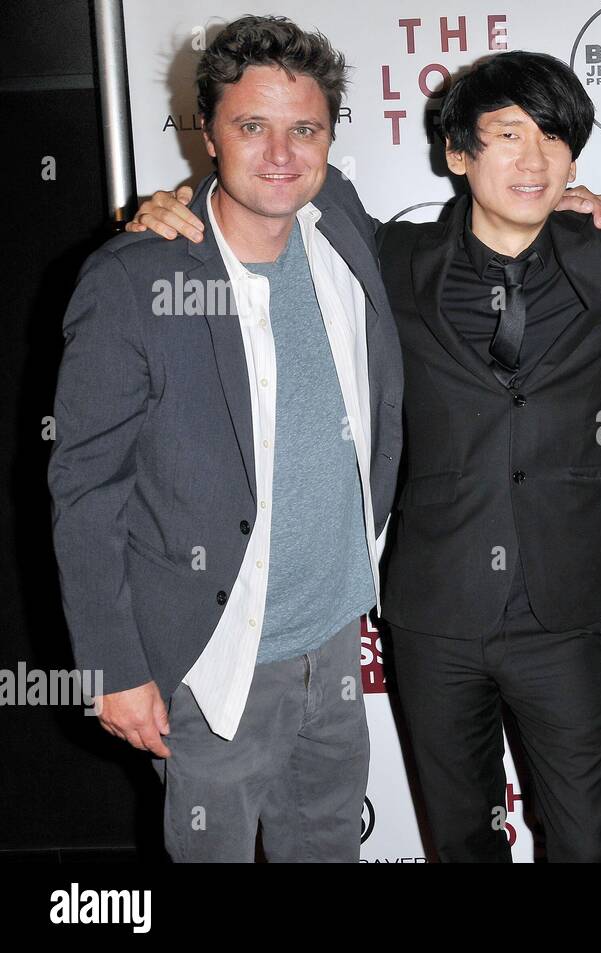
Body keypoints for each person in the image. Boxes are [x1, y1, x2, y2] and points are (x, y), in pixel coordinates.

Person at [133, 50, 601, 862]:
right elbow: (269, 188)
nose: (534, 160)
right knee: (462, 839)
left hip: (560, 613)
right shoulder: (388, 260)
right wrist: (171, 203)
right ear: (458, 153)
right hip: (431, 610)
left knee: (588, 839)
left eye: (554, 138)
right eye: (507, 135)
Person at [48, 15, 403, 861]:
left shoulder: (343, 222)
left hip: (333, 643)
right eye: (252, 126)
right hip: (212, 667)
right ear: (207, 131)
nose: (281, 153)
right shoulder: (135, 279)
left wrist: (571, 202)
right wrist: (112, 668)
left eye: (303, 128)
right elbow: (85, 487)